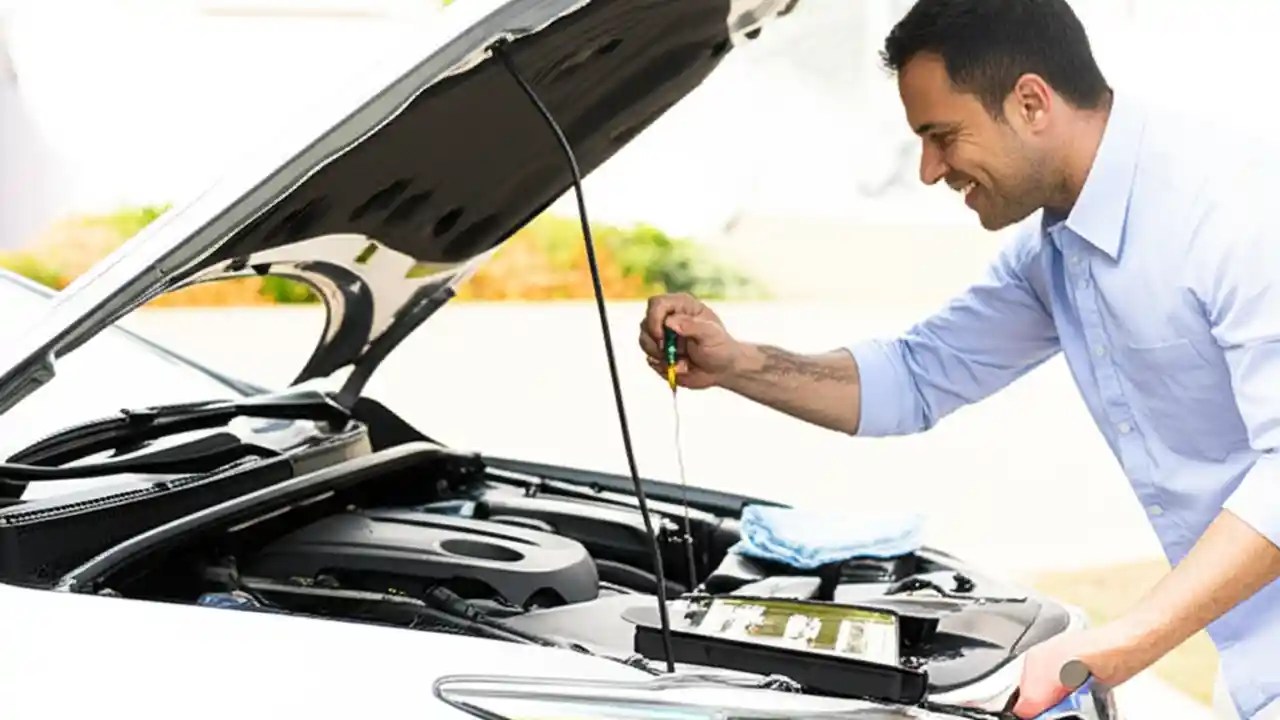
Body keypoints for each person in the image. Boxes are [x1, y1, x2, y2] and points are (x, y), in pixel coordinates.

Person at [638, 0, 1280, 717]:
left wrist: (1116, 646)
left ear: (1031, 103)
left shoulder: (1234, 211)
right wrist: (736, 364)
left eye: (942, 136)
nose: (928, 169)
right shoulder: (1052, 252)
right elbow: (914, 377)